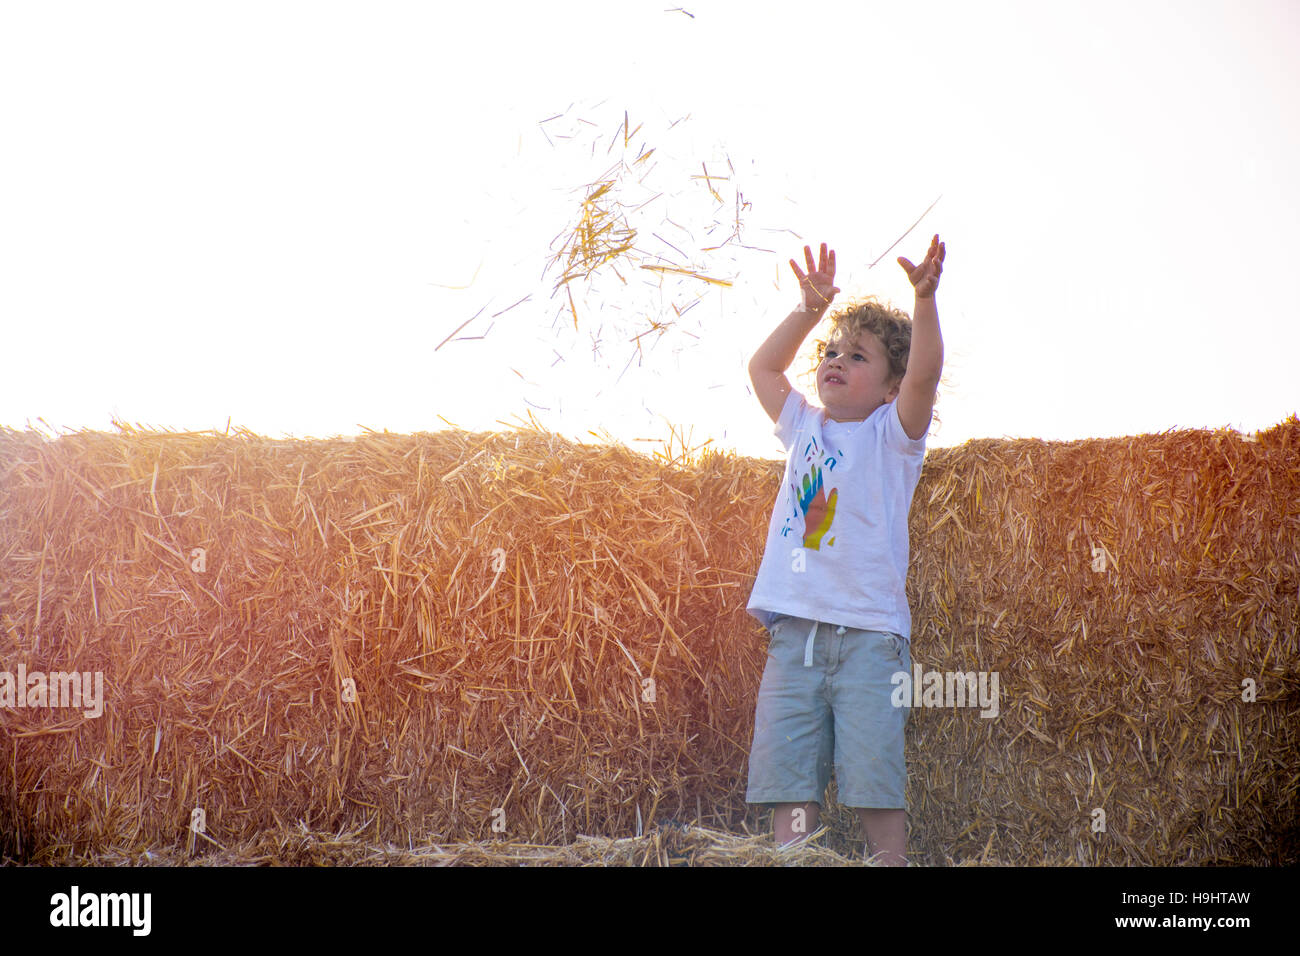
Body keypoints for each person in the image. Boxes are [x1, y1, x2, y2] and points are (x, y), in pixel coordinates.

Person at [744, 237, 946, 865]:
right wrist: (808, 310)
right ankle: (793, 857)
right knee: (791, 768)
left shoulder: (893, 435)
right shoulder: (804, 423)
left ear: (889, 386)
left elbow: (926, 375)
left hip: (867, 637)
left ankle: (889, 860)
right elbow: (763, 370)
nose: (834, 360)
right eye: (831, 351)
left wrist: (925, 302)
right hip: (795, 634)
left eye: (857, 356)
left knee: (872, 771)